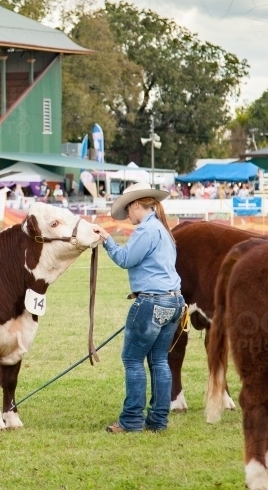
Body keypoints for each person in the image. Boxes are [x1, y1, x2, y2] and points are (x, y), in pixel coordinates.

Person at [98, 182, 184, 434]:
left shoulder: (147, 230)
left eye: (128, 210)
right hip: (174, 301)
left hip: (152, 301)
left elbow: (125, 259)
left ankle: (132, 420)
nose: (128, 216)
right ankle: (158, 420)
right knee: (159, 360)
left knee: (133, 360)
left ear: (136, 205)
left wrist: (106, 240)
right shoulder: (163, 230)